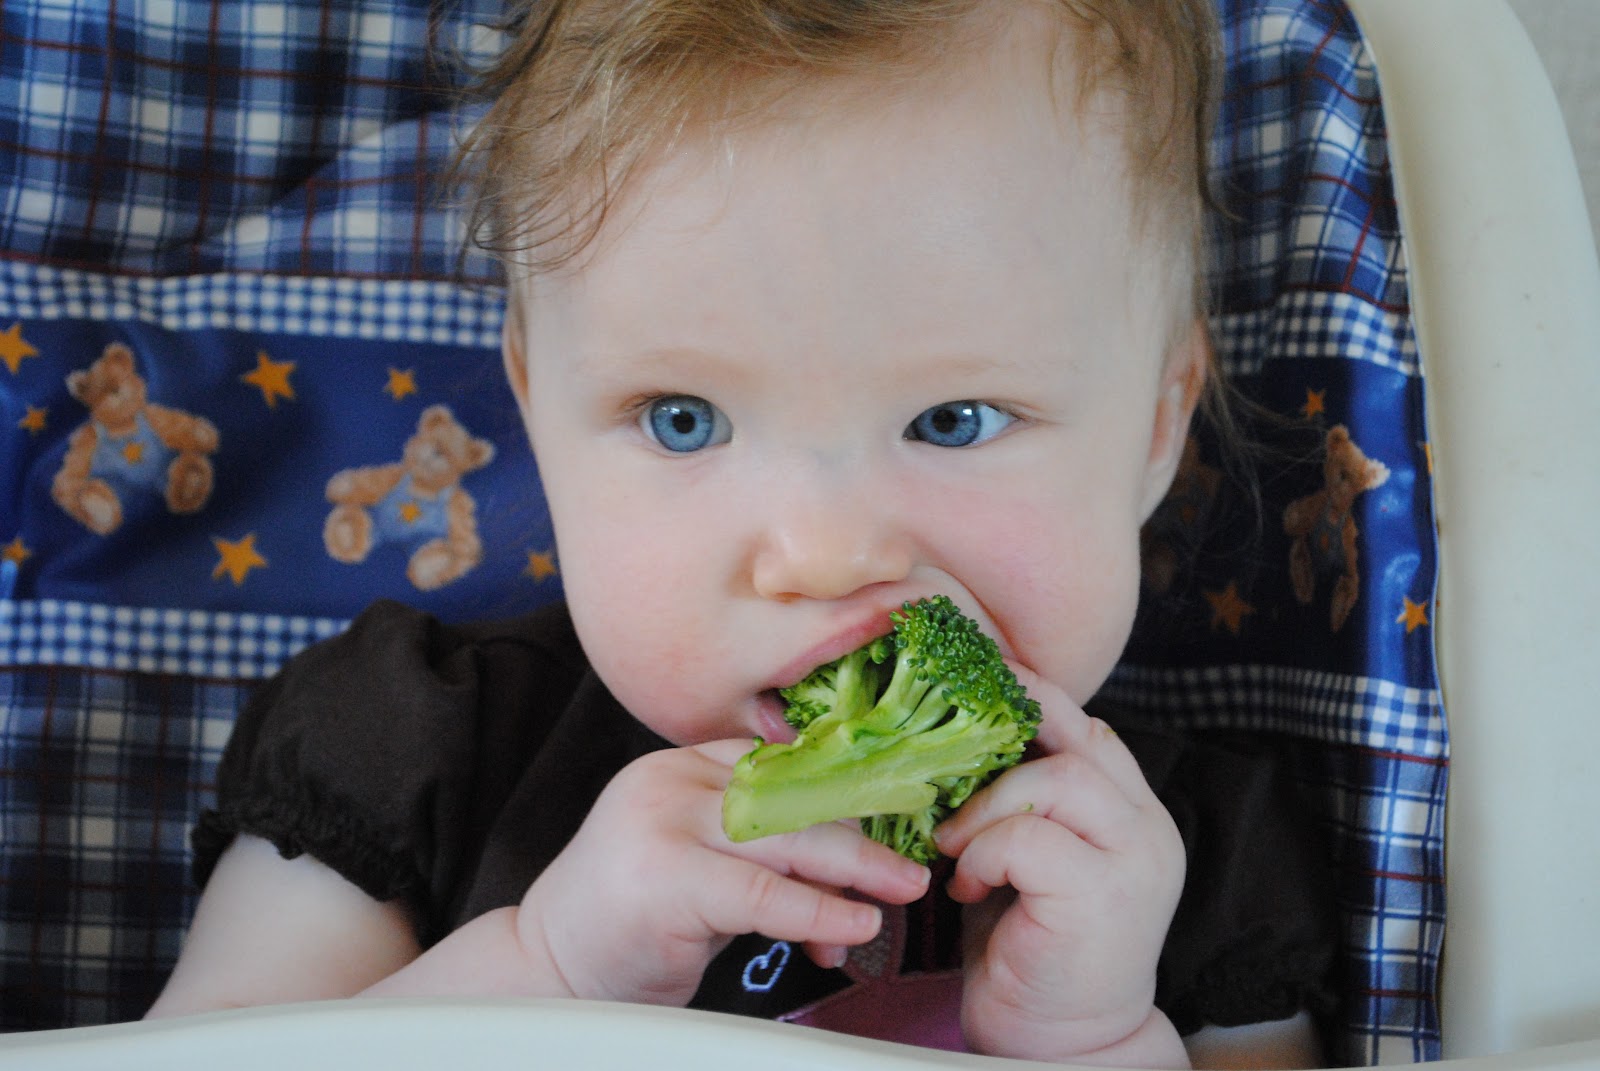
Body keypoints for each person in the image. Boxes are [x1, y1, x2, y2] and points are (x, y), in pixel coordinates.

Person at [148, 1, 1338, 1066]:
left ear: (1154, 428)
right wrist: (549, 973)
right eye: (681, 420)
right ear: (536, 411)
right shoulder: (411, 754)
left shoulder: (1185, 876)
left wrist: (1093, 1041)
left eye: (954, 420)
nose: (821, 553)